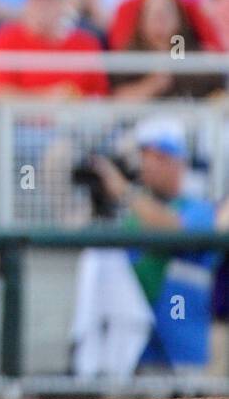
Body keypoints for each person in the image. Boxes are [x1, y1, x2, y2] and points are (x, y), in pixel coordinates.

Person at [89, 117, 223, 371]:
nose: (147, 165)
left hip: (185, 350)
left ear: (176, 161)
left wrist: (123, 191)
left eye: (156, 156)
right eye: (145, 156)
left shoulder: (200, 209)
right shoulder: (131, 215)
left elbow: (174, 229)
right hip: (137, 351)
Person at [0, 0, 109, 97]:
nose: (42, 7)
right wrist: (50, 97)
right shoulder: (7, 37)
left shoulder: (87, 43)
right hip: (22, 115)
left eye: (50, 0)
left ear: (63, 2)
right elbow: (2, 93)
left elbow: (99, 95)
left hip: (76, 115)